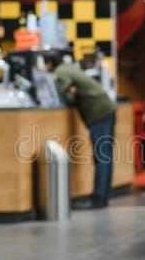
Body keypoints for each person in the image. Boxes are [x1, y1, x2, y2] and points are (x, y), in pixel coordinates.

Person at [42, 50, 117, 210]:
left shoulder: (60, 72)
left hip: (98, 112)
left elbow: (62, 96)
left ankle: (98, 198)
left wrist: (71, 95)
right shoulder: (67, 67)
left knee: (102, 156)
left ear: (49, 63)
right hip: (106, 108)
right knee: (105, 156)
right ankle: (102, 196)